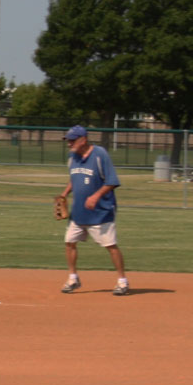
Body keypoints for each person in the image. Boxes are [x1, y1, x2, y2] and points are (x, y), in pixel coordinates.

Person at [58, 125, 130, 296]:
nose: (69, 143)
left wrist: (95, 196)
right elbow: (74, 178)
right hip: (79, 211)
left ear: (83, 139)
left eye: (72, 140)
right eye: (68, 140)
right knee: (69, 242)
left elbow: (112, 181)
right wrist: (64, 194)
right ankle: (73, 278)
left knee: (110, 246)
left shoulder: (100, 155)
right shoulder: (73, 157)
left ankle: (122, 281)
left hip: (100, 211)